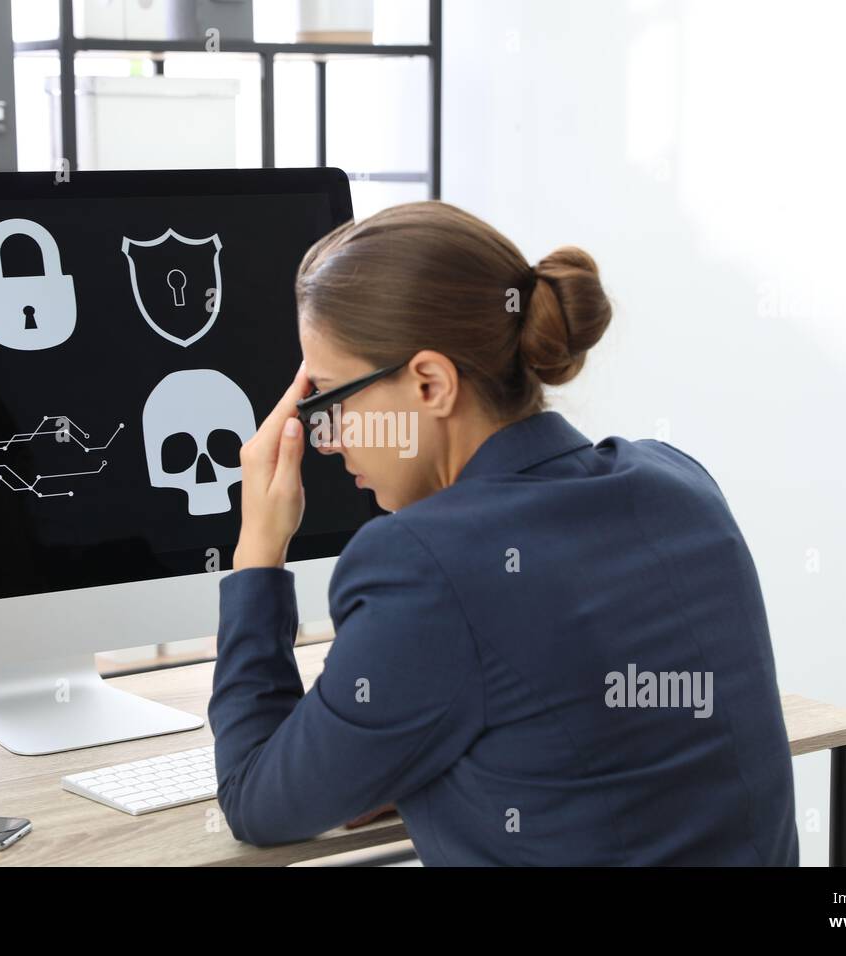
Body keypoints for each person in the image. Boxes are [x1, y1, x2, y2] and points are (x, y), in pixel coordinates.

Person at [207, 200, 799, 865]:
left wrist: (257, 552)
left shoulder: (423, 566)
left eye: (332, 398)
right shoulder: (680, 484)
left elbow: (256, 801)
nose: (327, 436)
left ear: (430, 383)